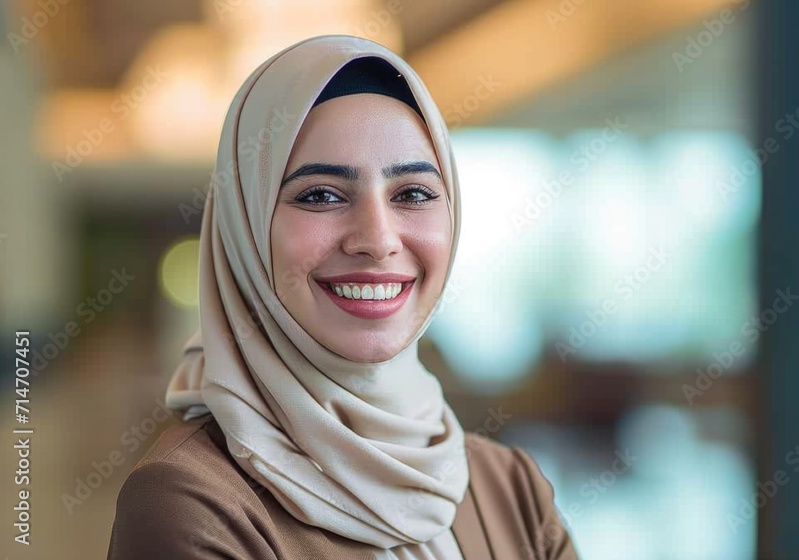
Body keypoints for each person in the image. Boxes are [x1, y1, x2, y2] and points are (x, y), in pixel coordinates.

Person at [105, 35, 578, 559]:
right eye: (320, 195)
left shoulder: (512, 487)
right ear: (245, 230)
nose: (377, 240)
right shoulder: (191, 502)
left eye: (413, 193)